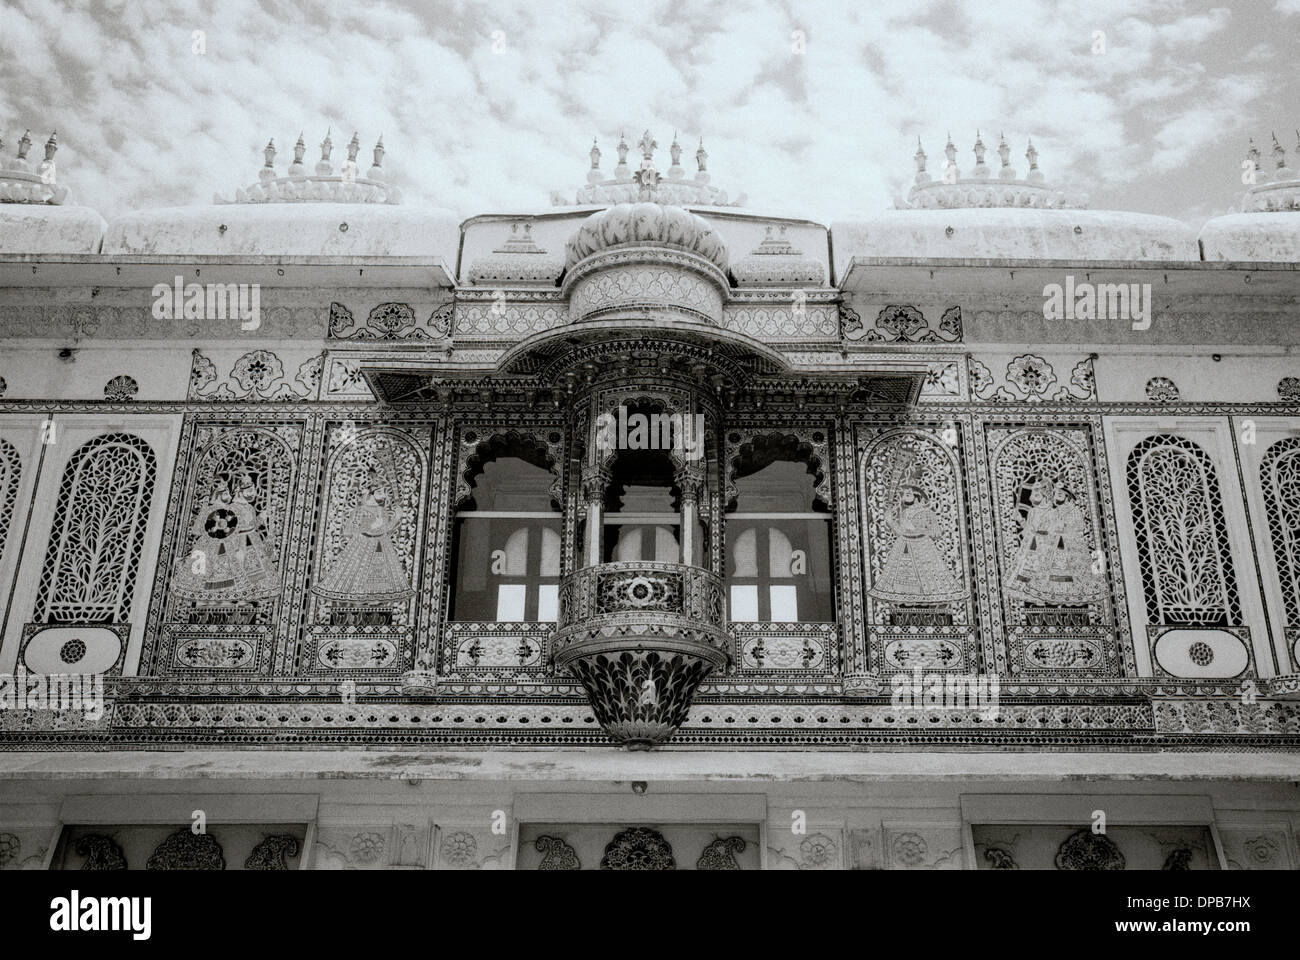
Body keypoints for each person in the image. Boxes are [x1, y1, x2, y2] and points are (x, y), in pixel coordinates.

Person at [172, 473, 279, 601]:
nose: (253, 494)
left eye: (253, 490)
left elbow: (253, 525)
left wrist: (262, 517)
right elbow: (235, 526)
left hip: (252, 542)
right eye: (250, 490)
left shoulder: (249, 507)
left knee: (257, 573)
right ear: (240, 491)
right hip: (239, 543)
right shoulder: (233, 507)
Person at [314, 468, 412, 602]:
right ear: (370, 495)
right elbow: (349, 530)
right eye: (379, 492)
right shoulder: (360, 511)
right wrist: (370, 527)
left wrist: (395, 518)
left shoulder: (382, 511)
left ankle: (375, 599)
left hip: (381, 546)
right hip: (362, 546)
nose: (383, 496)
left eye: (383, 492)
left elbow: (385, 530)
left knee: (380, 575)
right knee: (358, 576)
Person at [869, 483, 965, 603]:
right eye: (904, 494)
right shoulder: (905, 513)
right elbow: (903, 531)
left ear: (916, 497)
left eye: (907, 494)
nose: (904, 497)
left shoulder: (924, 513)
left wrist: (891, 522)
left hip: (921, 548)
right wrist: (891, 522)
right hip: (904, 547)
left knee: (926, 578)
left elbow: (912, 532)